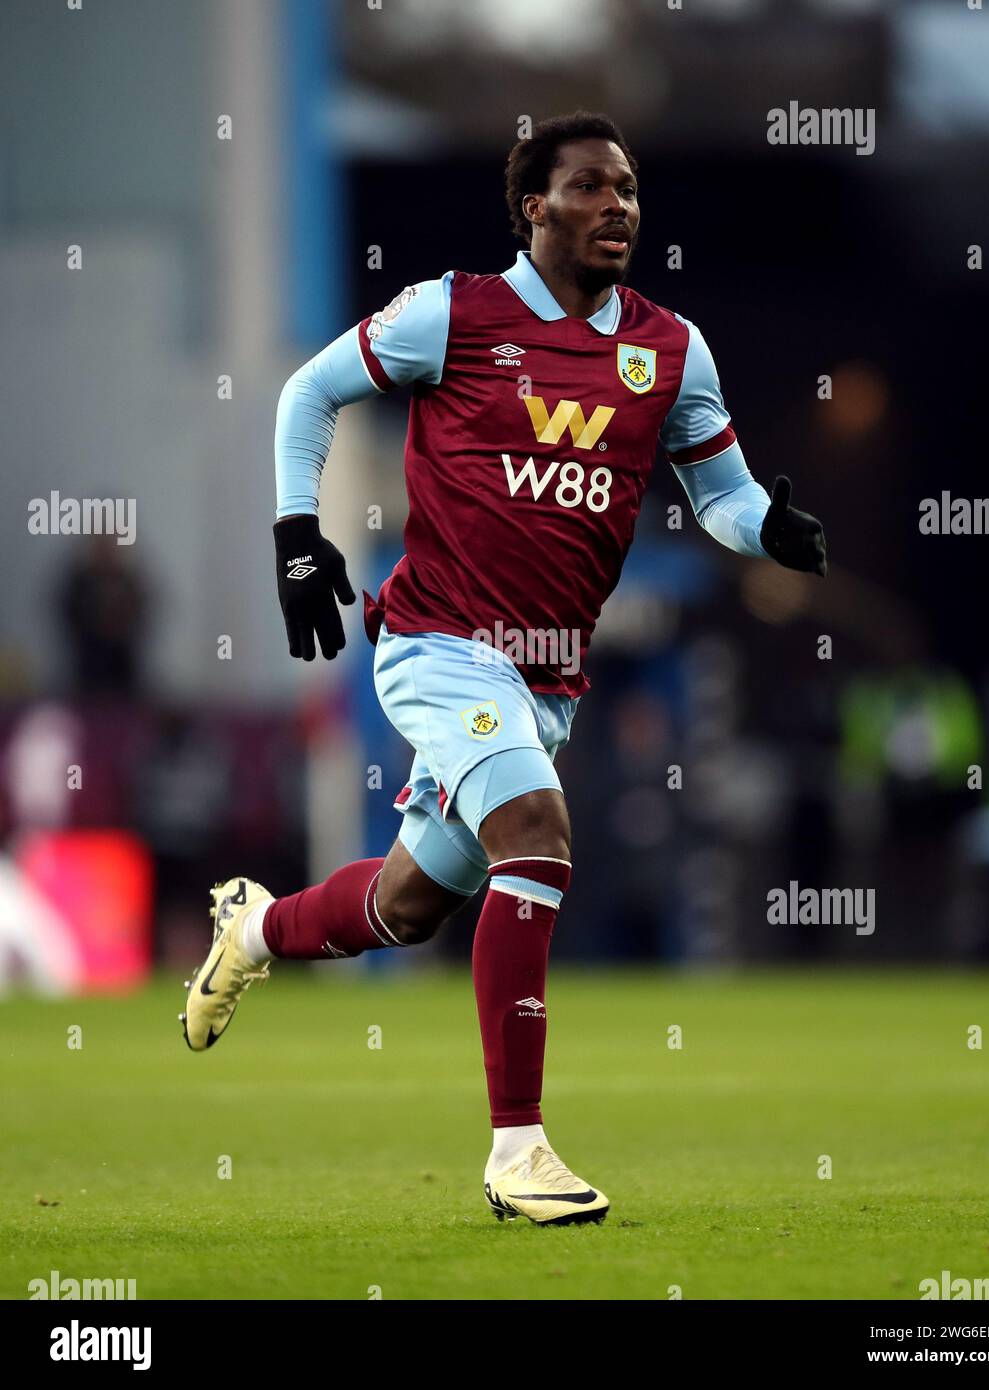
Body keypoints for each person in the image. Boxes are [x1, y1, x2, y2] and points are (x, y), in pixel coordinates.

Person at [180, 112, 827, 1226]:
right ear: (533, 206)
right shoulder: (454, 312)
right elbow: (307, 391)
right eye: (588, 187)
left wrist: (769, 527)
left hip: (546, 677)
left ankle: (250, 931)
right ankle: (516, 1151)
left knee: (408, 903)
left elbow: (717, 496)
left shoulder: (669, 349)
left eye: (626, 188)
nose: (615, 206)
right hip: (436, 645)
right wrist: (297, 533)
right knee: (536, 829)